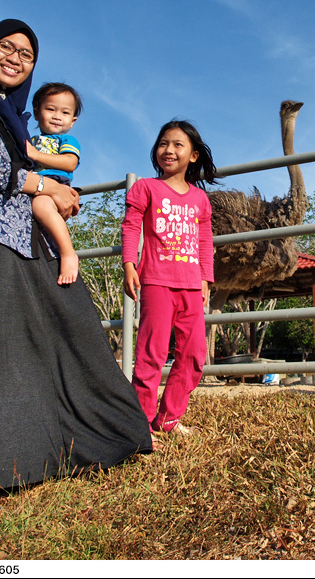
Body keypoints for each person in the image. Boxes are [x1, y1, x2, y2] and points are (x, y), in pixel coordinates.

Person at [0, 19, 153, 521]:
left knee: (67, 318)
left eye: (26, 54)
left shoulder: (16, 117)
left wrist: (50, 191)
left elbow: (31, 165)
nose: (14, 57)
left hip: (21, 236)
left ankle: (89, 435)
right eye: (6, 46)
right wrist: (50, 189)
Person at [122, 120, 217, 439]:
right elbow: (131, 226)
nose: (169, 150)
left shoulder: (200, 200)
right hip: (156, 282)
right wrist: (129, 264)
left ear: (193, 155)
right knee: (151, 354)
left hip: (191, 286)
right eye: (163, 143)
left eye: (178, 144)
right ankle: (141, 424)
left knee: (193, 355)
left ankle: (169, 419)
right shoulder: (146, 188)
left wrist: (206, 279)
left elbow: (205, 241)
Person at [25, 82, 84, 284]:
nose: (57, 116)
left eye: (65, 113)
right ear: (36, 112)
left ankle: (68, 252)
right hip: (33, 185)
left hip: (55, 184)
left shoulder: (67, 140)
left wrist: (35, 154)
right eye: (50, 109)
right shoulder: (30, 139)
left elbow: (70, 163)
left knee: (40, 206)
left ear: (73, 120)